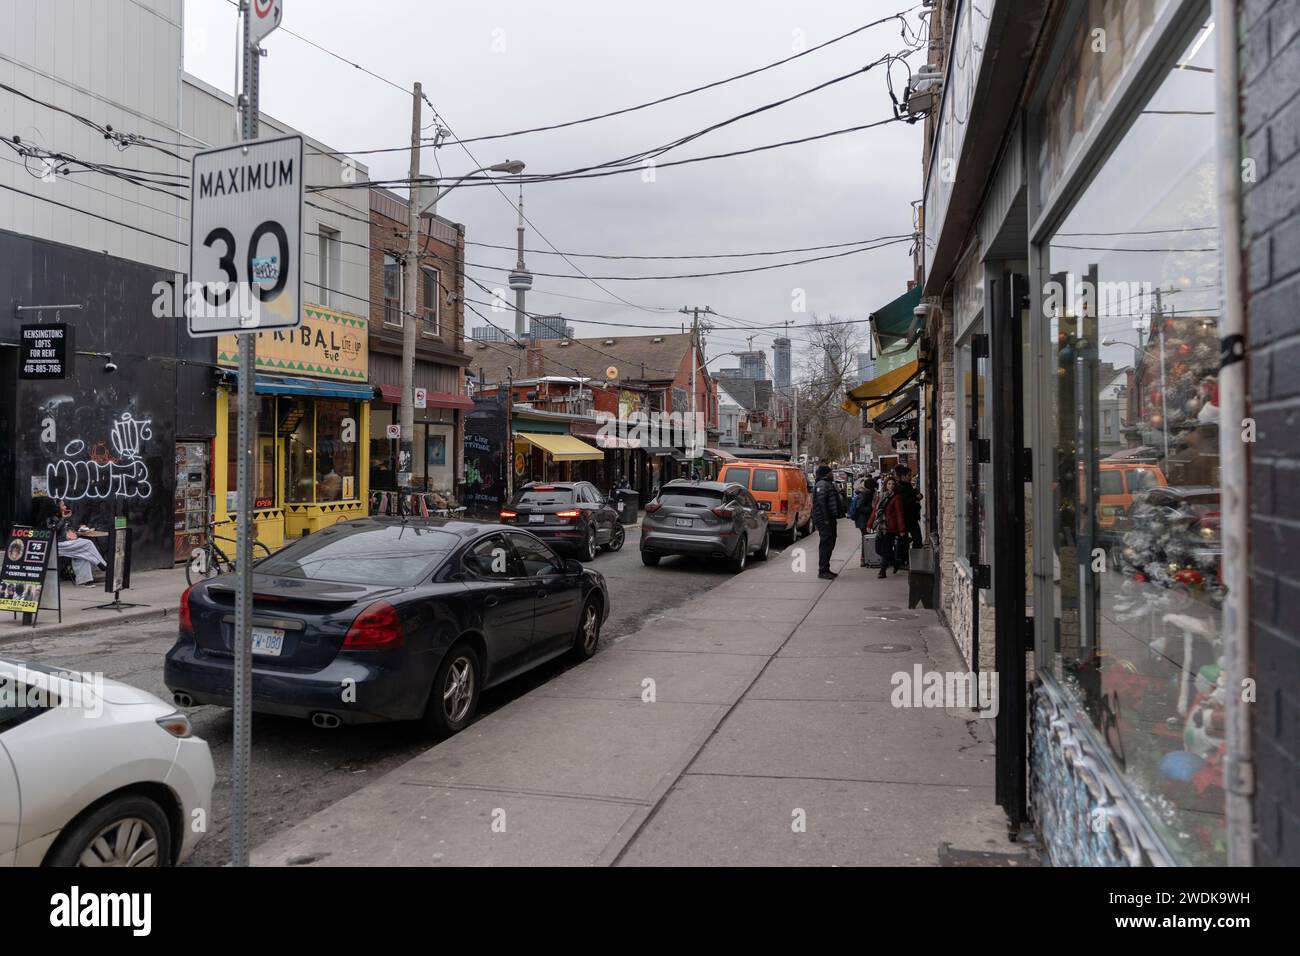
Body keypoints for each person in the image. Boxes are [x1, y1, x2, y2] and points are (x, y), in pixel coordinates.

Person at [868, 477, 908, 578]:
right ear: (885, 485)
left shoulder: (896, 497)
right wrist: (869, 524)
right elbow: (875, 512)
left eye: (893, 484)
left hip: (890, 527)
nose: (891, 486)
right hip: (880, 527)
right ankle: (895, 562)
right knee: (878, 549)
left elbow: (899, 513)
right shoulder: (879, 496)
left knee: (886, 549)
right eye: (889, 484)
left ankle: (882, 571)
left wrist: (902, 529)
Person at [811, 464, 844, 580]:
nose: (832, 474)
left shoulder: (827, 484)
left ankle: (826, 568)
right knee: (826, 544)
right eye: (831, 472)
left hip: (829, 518)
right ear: (826, 473)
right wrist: (825, 519)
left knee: (830, 543)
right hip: (825, 519)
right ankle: (823, 570)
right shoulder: (822, 485)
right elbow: (821, 503)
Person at [849, 478, 874, 567]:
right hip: (862, 520)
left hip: (861, 519)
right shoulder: (865, 494)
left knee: (865, 538)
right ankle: (864, 558)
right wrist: (871, 509)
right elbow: (859, 507)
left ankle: (865, 558)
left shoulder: (865, 493)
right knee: (865, 539)